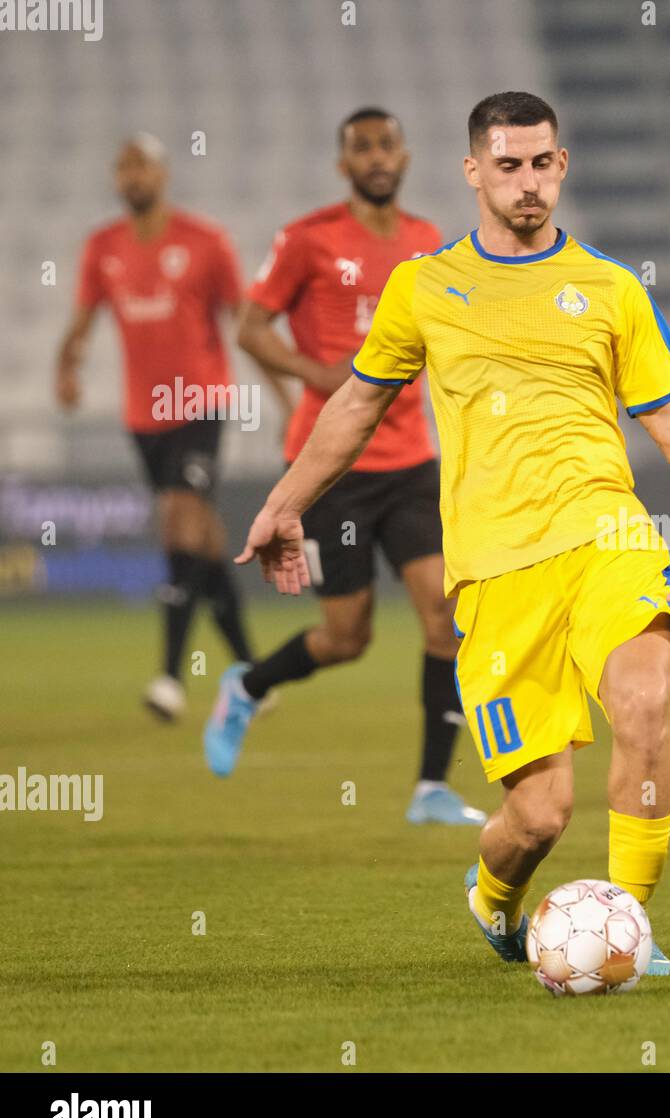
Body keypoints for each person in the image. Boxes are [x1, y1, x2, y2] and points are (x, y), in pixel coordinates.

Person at [234, 91, 670, 975]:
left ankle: (627, 922)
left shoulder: (609, 287)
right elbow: (357, 404)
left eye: (543, 162)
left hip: (608, 538)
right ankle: (494, 897)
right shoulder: (425, 287)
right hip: (492, 571)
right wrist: (286, 499)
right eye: (508, 164)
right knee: (539, 816)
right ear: (474, 170)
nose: (528, 181)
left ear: (563, 166)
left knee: (645, 699)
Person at [201, 108, 483, 827]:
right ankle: (248, 684)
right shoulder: (308, 239)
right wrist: (312, 375)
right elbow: (251, 327)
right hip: (332, 466)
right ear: (343, 163)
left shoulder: (428, 244)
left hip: (412, 462)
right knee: (346, 636)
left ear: (406, 156)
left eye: (387, 144)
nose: (377, 157)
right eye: (362, 147)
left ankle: (430, 788)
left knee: (446, 617)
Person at [55, 134, 282, 721]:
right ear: (117, 178)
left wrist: (285, 395)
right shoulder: (102, 247)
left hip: (199, 405)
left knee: (179, 523)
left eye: (143, 166)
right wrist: (67, 367)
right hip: (143, 419)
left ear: (163, 174)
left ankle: (169, 680)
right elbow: (82, 320)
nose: (134, 176)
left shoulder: (206, 242)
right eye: (124, 166)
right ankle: (255, 678)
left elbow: (246, 322)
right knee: (200, 541)